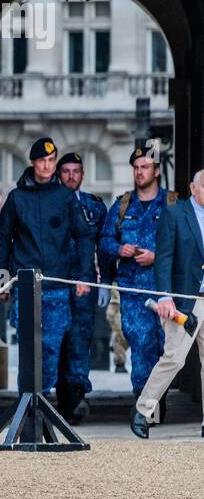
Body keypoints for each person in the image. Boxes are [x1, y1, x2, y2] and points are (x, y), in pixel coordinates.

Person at [0, 136, 95, 396]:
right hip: (25, 286)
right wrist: (2, 280)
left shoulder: (65, 196)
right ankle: (27, 404)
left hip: (57, 286)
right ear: (33, 163)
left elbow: (84, 236)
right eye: (42, 161)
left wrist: (83, 276)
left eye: (51, 160)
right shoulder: (16, 198)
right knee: (28, 349)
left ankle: (42, 400)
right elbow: (3, 238)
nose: (47, 166)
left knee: (51, 347)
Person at [98, 143, 175, 402]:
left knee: (167, 349)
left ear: (156, 171)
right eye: (136, 168)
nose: (139, 172)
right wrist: (121, 249)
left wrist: (157, 256)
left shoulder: (173, 204)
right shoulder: (122, 206)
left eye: (145, 167)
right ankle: (145, 406)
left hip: (166, 291)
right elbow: (104, 241)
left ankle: (159, 400)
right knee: (141, 346)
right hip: (133, 294)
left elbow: (187, 245)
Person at [135, 168, 204, 438]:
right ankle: (142, 411)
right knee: (174, 359)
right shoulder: (175, 214)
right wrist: (165, 297)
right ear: (193, 188)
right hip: (184, 304)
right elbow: (163, 258)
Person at [56, 152, 108, 423]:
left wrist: (106, 283)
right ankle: (59, 395)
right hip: (56, 284)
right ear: (58, 173)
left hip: (84, 286)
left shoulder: (94, 206)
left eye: (76, 171)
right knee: (57, 342)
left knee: (79, 341)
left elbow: (104, 245)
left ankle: (77, 396)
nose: (71, 176)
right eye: (66, 171)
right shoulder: (49, 202)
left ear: (83, 175)